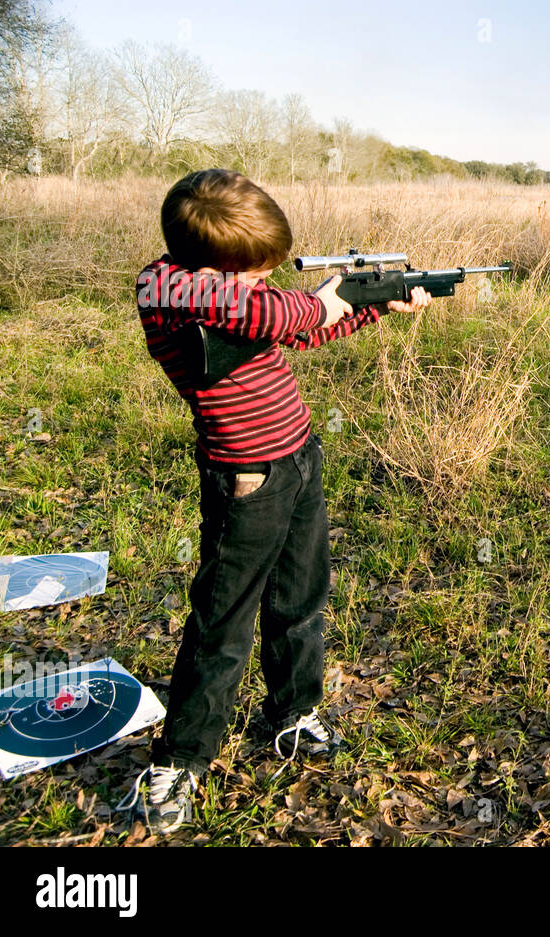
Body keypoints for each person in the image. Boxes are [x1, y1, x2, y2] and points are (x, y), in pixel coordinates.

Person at [118, 169, 430, 834]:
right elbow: (277, 312)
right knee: (222, 623)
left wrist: (373, 302)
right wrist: (317, 301)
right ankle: (180, 760)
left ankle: (292, 713)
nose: (263, 284)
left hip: (296, 458)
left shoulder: (233, 300)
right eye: (254, 273)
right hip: (245, 476)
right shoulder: (166, 287)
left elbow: (297, 328)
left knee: (300, 596)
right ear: (208, 263)